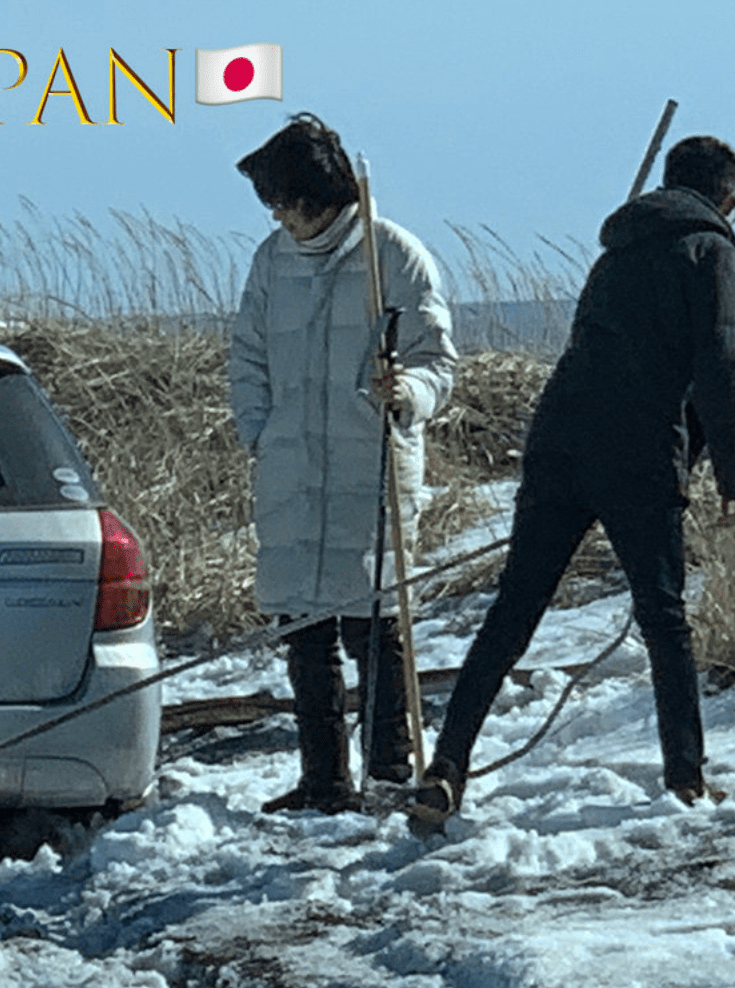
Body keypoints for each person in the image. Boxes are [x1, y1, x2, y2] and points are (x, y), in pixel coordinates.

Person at [408, 135, 735, 834]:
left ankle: (446, 768)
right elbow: (717, 366)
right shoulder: (712, 250)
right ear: (724, 195)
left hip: (557, 438)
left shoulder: (615, 251)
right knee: (665, 619)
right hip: (637, 449)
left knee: (512, 615)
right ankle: (686, 778)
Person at [227, 113, 458, 813]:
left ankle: (388, 769)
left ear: (319, 197)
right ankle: (323, 778)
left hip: (372, 461)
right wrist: (259, 429)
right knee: (304, 629)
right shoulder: (271, 261)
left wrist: (409, 390)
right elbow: (248, 355)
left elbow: (438, 364)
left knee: (375, 623)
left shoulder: (395, 255)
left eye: (284, 202)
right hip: (293, 467)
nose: (278, 216)